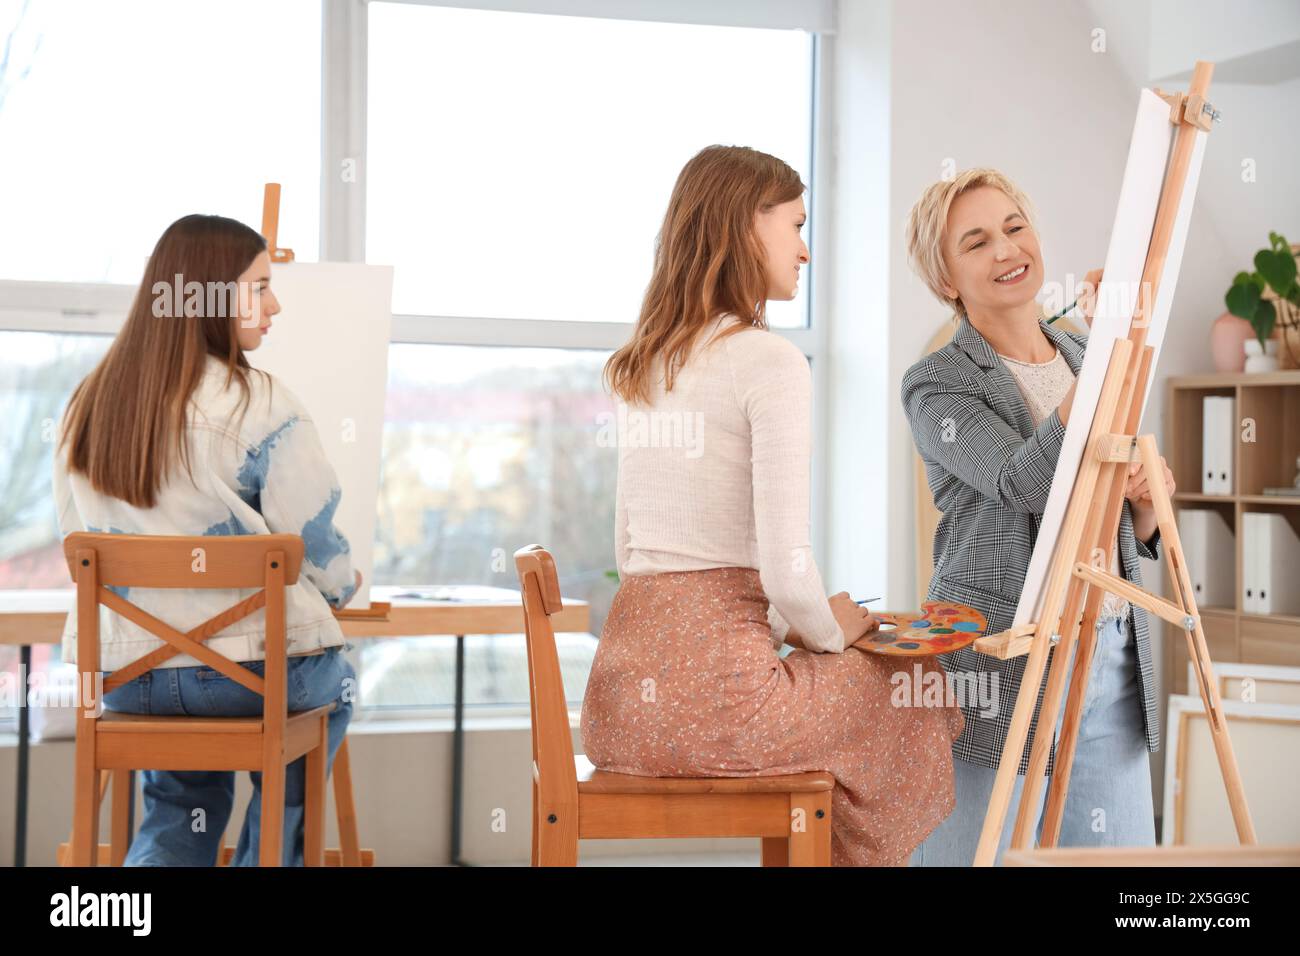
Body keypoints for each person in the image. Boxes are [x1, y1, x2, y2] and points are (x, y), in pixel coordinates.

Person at [581, 145, 965, 866]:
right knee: (913, 678)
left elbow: (638, 552)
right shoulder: (769, 361)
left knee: (851, 683)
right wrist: (830, 631)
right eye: (796, 224)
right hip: (718, 708)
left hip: (619, 711)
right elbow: (785, 565)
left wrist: (802, 624)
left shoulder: (645, 362)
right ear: (745, 227)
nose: (806, 250)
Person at [53, 213, 361, 866]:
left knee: (180, 794)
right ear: (211, 295)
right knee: (338, 685)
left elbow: (77, 544)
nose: (273, 304)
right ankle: (268, 857)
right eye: (259, 286)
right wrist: (341, 587)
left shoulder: (87, 405)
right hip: (246, 675)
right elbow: (318, 551)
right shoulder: (263, 404)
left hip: (127, 678)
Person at [900, 168, 1175, 865]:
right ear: (947, 280)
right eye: (977, 242)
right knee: (980, 856)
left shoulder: (1082, 353)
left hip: (1109, 655)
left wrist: (1144, 502)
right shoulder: (937, 383)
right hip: (1001, 666)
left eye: (1015, 228)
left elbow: (1123, 523)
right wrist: (1113, 350)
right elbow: (1023, 482)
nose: (1006, 250)